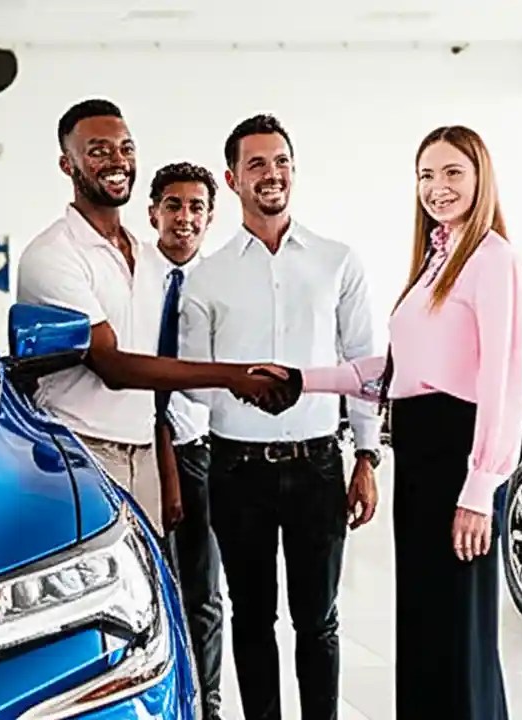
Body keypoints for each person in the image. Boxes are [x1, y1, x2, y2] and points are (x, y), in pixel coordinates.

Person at [251, 125, 522, 720]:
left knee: (458, 633)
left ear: (481, 177)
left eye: (452, 172)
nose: (437, 187)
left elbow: (503, 382)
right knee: (426, 627)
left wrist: (479, 489)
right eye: (426, 175)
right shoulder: (437, 259)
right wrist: (302, 379)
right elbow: (397, 370)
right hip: (422, 459)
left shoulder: (493, 259)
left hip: (458, 462)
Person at [176, 113, 382, 720]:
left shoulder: (337, 261)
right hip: (236, 470)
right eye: (257, 164)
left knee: (318, 620)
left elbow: (364, 365)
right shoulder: (206, 277)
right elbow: (194, 380)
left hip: (318, 465)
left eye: (282, 161)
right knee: (251, 618)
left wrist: (366, 457)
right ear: (232, 178)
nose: (272, 174)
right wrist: (244, 392)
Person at [15, 98, 292, 538]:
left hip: (143, 452)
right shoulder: (52, 254)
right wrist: (232, 376)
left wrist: (165, 466)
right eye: (98, 151)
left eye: (126, 148)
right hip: (80, 449)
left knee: (154, 576)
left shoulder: (146, 257)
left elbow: (155, 384)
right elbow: (112, 366)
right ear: (68, 164)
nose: (117, 161)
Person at [144, 161, 226, 719]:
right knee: (147, 585)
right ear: (153, 212)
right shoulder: (131, 276)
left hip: (199, 451)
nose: (185, 217)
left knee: (203, 591)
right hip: (137, 448)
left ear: (210, 217)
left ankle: (207, 703)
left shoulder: (220, 282)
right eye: (173, 205)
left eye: (197, 207)